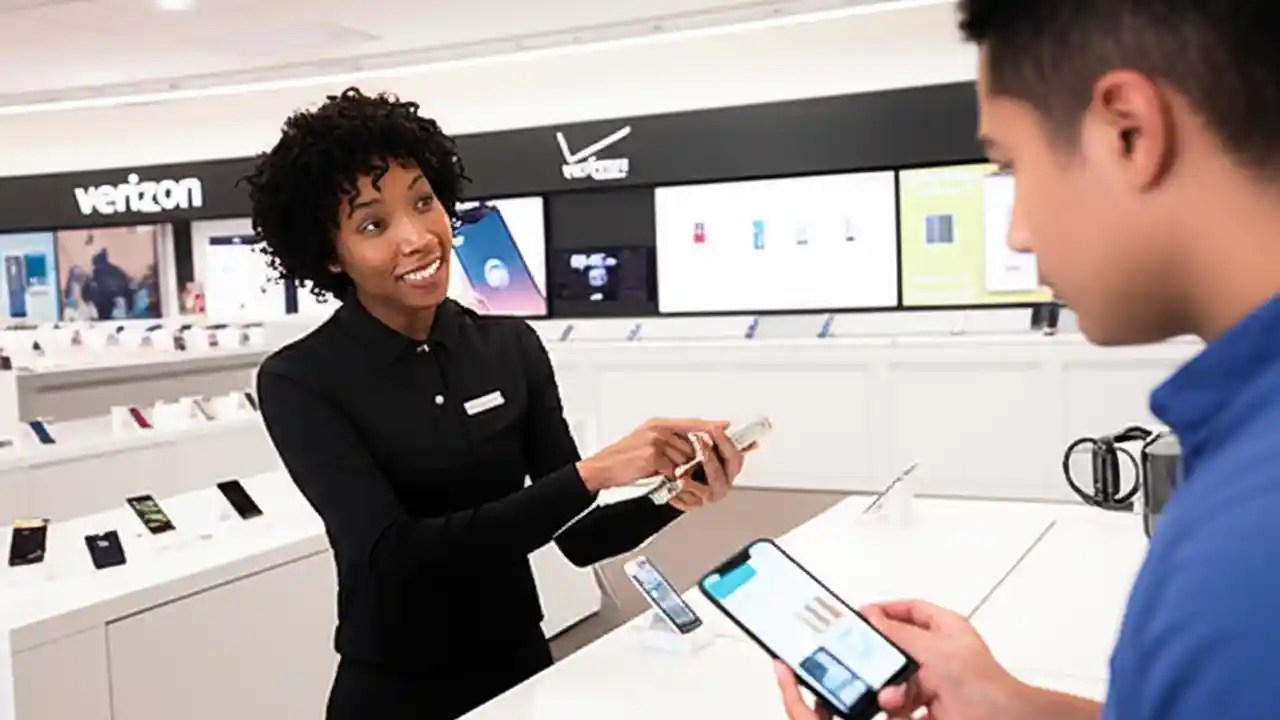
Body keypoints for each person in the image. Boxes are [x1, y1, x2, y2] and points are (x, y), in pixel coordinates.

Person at [777, 0, 1280, 718]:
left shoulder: (1243, 565)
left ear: (1127, 131)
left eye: (1011, 167)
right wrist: (1012, 705)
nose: (1016, 235)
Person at [244, 88, 750, 720]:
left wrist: (673, 495)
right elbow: (393, 555)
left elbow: (577, 536)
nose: (417, 237)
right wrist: (591, 474)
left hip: (519, 667)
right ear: (329, 254)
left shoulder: (509, 345)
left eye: (423, 202)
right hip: (397, 688)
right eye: (373, 224)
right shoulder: (302, 379)